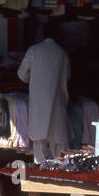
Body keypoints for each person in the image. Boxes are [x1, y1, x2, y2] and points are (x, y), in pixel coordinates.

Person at [18, 25, 72, 166]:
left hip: (38, 104)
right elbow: (67, 76)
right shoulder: (62, 53)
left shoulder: (33, 50)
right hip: (57, 104)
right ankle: (60, 175)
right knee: (59, 146)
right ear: (58, 36)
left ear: (42, 35)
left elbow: (22, 74)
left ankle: (41, 175)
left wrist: (35, 80)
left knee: (39, 147)